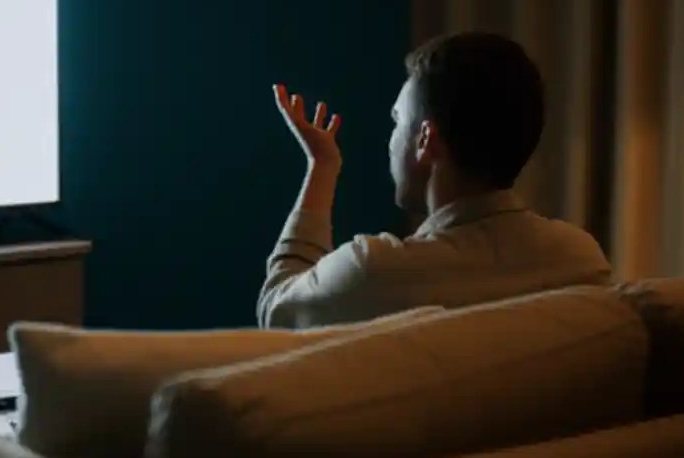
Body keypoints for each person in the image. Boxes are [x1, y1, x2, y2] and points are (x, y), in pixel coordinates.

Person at [258, 32, 611, 329]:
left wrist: (321, 166)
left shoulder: (375, 274)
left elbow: (277, 309)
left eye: (397, 121)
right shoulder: (580, 259)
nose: (391, 138)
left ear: (425, 140)